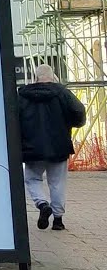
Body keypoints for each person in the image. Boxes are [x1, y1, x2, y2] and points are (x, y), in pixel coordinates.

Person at [19, 64, 86, 231]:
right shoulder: (62, 93)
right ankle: (58, 220)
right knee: (57, 182)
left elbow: (13, 118)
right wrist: (72, 123)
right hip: (59, 145)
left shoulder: (22, 95)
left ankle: (42, 204)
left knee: (32, 178)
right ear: (53, 76)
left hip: (31, 146)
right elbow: (79, 111)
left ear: (36, 77)